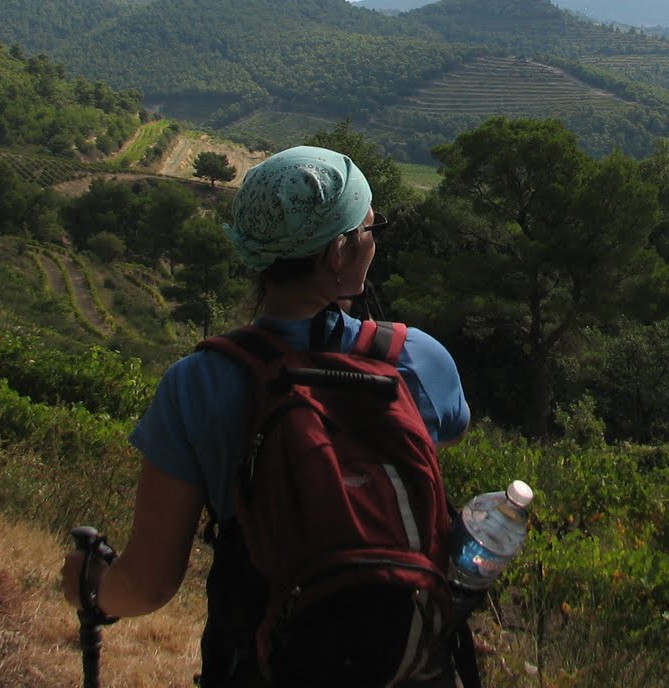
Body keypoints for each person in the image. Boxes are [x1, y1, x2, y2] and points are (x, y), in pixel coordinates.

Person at [60, 145, 471, 685]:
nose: (375, 241)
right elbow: (444, 437)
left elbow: (148, 585)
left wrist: (91, 589)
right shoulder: (419, 361)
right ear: (338, 253)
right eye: (371, 228)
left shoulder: (197, 384)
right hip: (407, 662)